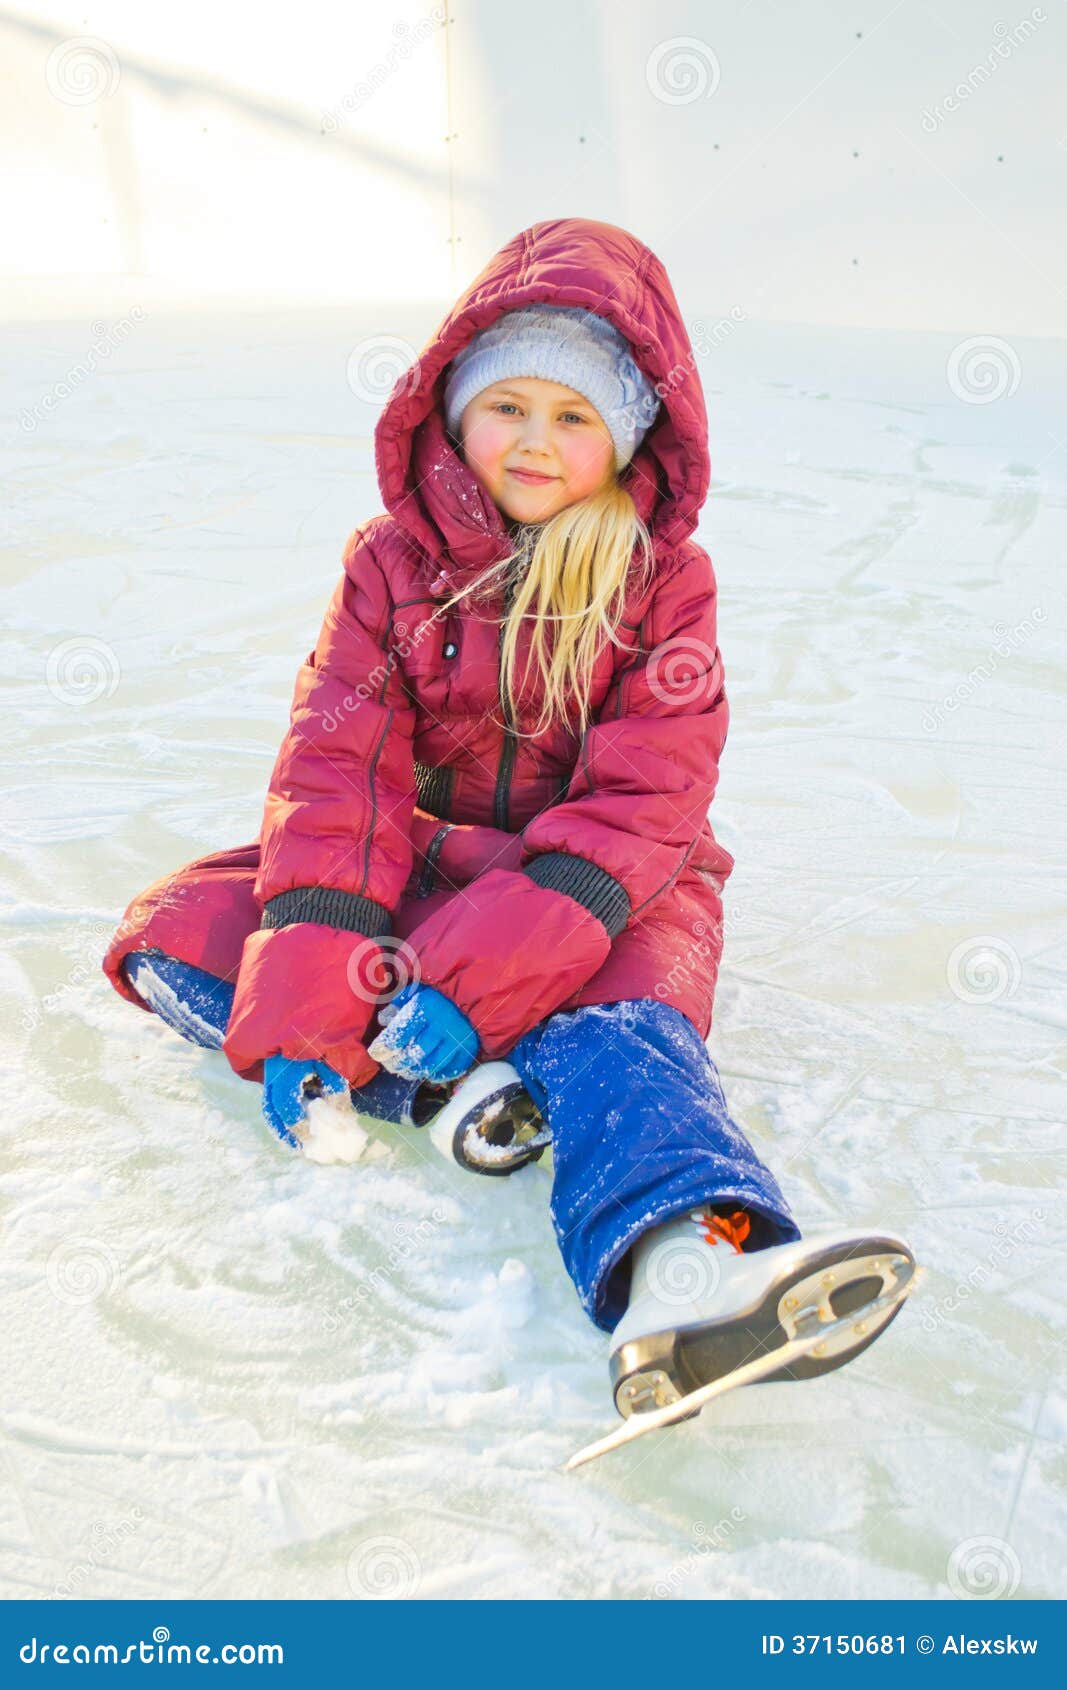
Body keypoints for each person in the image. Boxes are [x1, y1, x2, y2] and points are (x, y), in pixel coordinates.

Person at [103, 218, 917, 1429]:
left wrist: (474, 980)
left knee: (616, 1034)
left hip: (610, 886)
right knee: (177, 928)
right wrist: (313, 1003)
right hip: (429, 867)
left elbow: (644, 803)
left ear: (628, 436)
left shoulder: (658, 581)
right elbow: (340, 774)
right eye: (508, 407)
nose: (534, 441)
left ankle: (681, 1268)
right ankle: (446, 1095)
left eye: (574, 416)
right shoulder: (389, 562)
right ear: (451, 410)